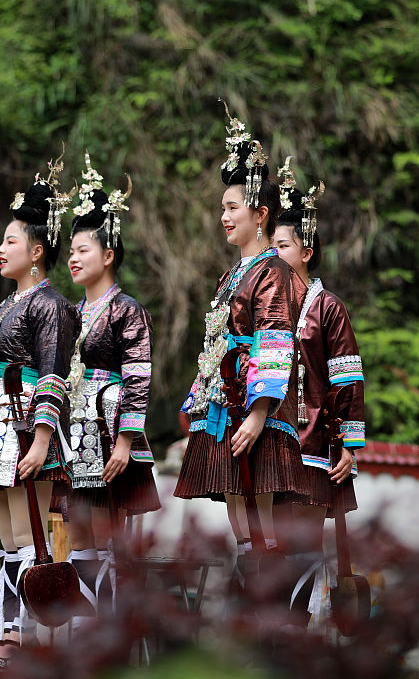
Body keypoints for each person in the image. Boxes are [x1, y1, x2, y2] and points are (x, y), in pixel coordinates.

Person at [174, 111, 310, 579]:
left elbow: (276, 341)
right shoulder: (232, 274)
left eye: (233, 207)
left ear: (261, 213)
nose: (224, 217)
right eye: (223, 207)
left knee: (261, 516)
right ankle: (251, 620)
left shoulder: (274, 271)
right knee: (238, 512)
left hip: (255, 408)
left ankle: (269, 625)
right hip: (224, 401)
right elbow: (216, 342)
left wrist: (258, 412)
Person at [0, 160, 77, 669]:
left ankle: (22, 638)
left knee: (29, 537)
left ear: (36, 250)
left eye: (10, 241)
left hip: (26, 426)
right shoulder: (7, 305)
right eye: (2, 242)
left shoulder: (50, 305)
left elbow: (53, 373)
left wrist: (44, 440)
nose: (0, 250)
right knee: (7, 541)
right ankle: (8, 635)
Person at [63, 155, 161, 628]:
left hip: (111, 435)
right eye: (70, 251)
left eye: (84, 249)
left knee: (113, 538)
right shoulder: (66, 313)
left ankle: (116, 635)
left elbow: (139, 376)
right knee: (79, 534)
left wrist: (125, 439)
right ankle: (84, 635)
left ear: (108, 255)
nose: (74, 259)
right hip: (74, 435)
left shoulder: (128, 310)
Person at [271, 161, 365, 623]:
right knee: (270, 546)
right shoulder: (266, 308)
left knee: (301, 545)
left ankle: (294, 637)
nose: (274, 256)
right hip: (272, 438)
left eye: (282, 246)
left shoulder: (327, 307)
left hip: (312, 442)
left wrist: (349, 441)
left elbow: (347, 376)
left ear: (306, 251)